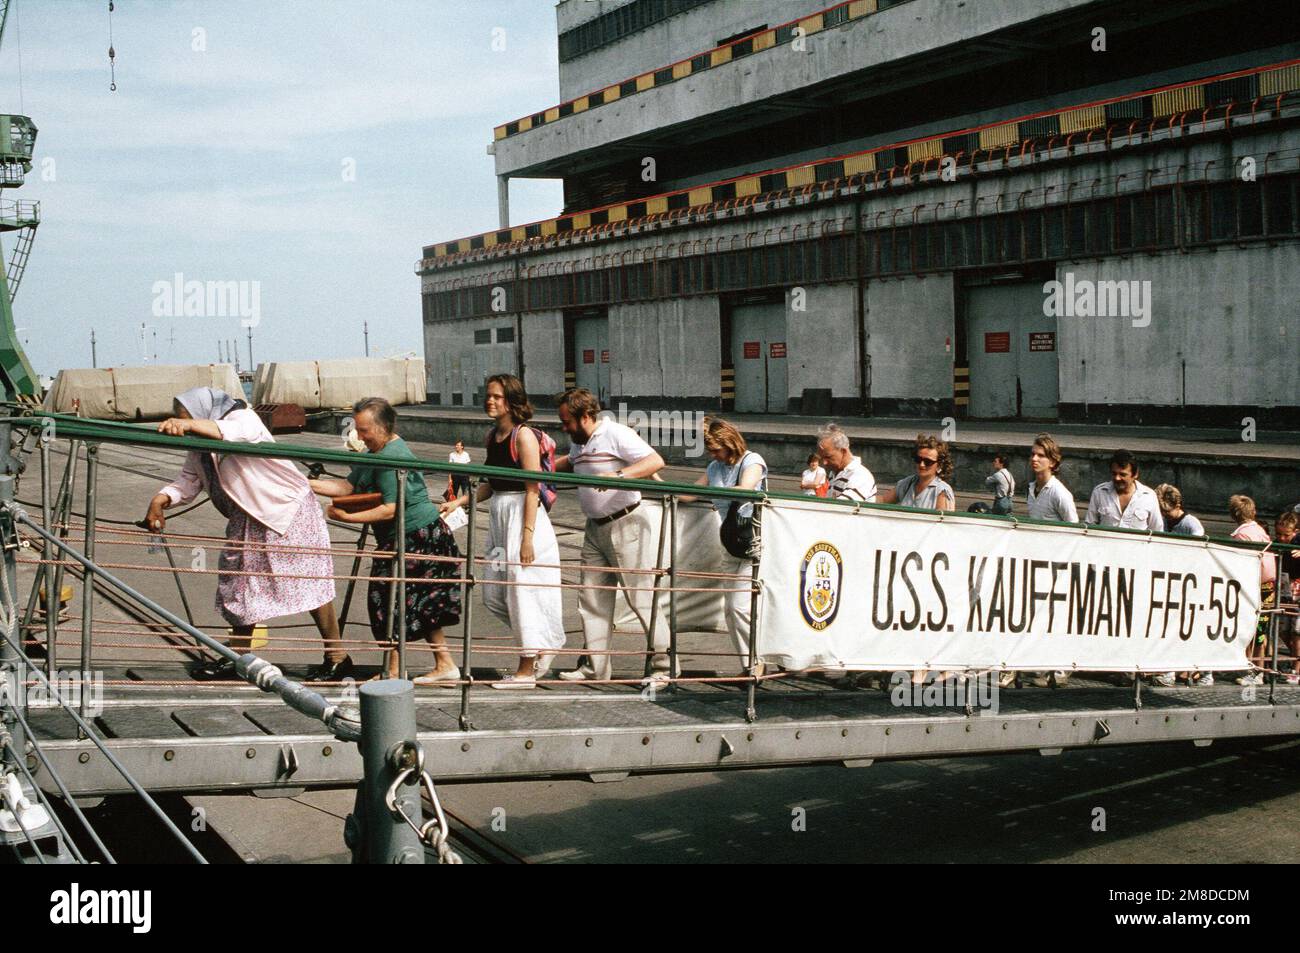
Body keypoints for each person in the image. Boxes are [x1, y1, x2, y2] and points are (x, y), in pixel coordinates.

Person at [145, 387, 343, 681]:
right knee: (238, 584)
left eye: (186, 417)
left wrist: (188, 425)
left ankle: (337, 656)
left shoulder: (242, 418)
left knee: (307, 579)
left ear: (202, 413)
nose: (182, 423)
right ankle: (239, 657)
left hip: (286, 510)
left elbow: (233, 432)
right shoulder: (199, 442)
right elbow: (188, 479)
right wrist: (161, 500)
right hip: (247, 515)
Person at [309, 398, 462, 684]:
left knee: (386, 601)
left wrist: (345, 517)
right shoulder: (375, 451)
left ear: (383, 427)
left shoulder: (393, 456)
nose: (359, 436)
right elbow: (348, 486)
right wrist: (305, 484)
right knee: (419, 601)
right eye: (357, 429)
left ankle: (393, 671)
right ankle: (445, 664)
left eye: (364, 430)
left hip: (417, 537)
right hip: (414, 535)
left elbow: (390, 508)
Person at [441, 374, 565, 688]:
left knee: (521, 591)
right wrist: (461, 503)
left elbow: (533, 488)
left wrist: (526, 537)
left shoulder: (523, 436)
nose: (490, 401)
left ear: (512, 401)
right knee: (494, 593)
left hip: (523, 517)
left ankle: (525, 669)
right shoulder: (492, 436)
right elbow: (490, 483)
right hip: (499, 517)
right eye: (488, 395)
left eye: (497, 396)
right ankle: (540, 643)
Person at [550, 388, 669, 687]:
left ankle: (665, 667)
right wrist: (539, 466)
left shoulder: (616, 433)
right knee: (591, 598)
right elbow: (573, 461)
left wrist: (618, 477)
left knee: (641, 598)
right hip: (594, 528)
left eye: (567, 421)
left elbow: (655, 461)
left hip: (626, 523)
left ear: (587, 416)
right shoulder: (581, 441)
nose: (564, 427)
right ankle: (596, 667)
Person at [682, 418, 767, 676]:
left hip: (752, 542)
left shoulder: (752, 461)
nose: (713, 454)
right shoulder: (714, 467)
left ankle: (758, 661)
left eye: (716, 449)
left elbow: (747, 489)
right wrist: (657, 479)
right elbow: (689, 494)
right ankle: (749, 665)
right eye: (710, 449)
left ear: (730, 444)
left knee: (740, 607)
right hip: (729, 541)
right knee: (731, 610)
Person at [1016, 434, 1078, 688]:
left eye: (1041, 455)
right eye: (1032, 454)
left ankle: (1062, 669)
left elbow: (1074, 527)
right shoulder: (1032, 488)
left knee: (1057, 616)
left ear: (1053, 461)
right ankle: (1041, 668)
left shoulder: (1060, 493)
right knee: (1038, 616)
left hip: (1058, 564)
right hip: (1037, 561)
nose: (1034, 459)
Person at [1154, 483, 1210, 686]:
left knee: (1190, 629)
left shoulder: (1191, 524)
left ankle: (1204, 672)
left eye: (1166, 510)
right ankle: (1169, 670)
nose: (1164, 514)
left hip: (1189, 582)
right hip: (1170, 582)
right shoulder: (1162, 521)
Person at [1230, 495, 1276, 687]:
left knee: (1252, 630)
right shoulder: (1259, 530)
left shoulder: (1241, 534)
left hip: (1255, 585)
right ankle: (1258, 670)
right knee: (1261, 632)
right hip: (1268, 586)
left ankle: (1253, 671)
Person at [1084, 449, 1163, 531]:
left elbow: (1157, 531)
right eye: (1114, 473)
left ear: (1135, 474)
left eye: (1122, 474)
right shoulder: (1099, 492)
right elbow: (1089, 526)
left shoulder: (1149, 496)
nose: (1117, 478)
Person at [878, 434, 955, 510]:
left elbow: (943, 520)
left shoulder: (942, 491)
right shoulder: (908, 483)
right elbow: (883, 500)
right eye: (918, 459)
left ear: (939, 465)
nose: (921, 465)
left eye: (928, 462)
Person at [816, 423, 877, 502]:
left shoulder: (861, 476)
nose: (824, 463)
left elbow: (842, 507)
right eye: (822, 458)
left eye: (828, 457)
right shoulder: (834, 472)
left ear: (843, 451)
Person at [1273, 512, 1300, 684]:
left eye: (1286, 535)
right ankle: (1294, 658)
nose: (1282, 538)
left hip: (1298, 588)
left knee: (1297, 631)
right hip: (1285, 588)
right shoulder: (1279, 544)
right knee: (1283, 628)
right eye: (1279, 534)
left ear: (1296, 531)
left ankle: (1297, 670)